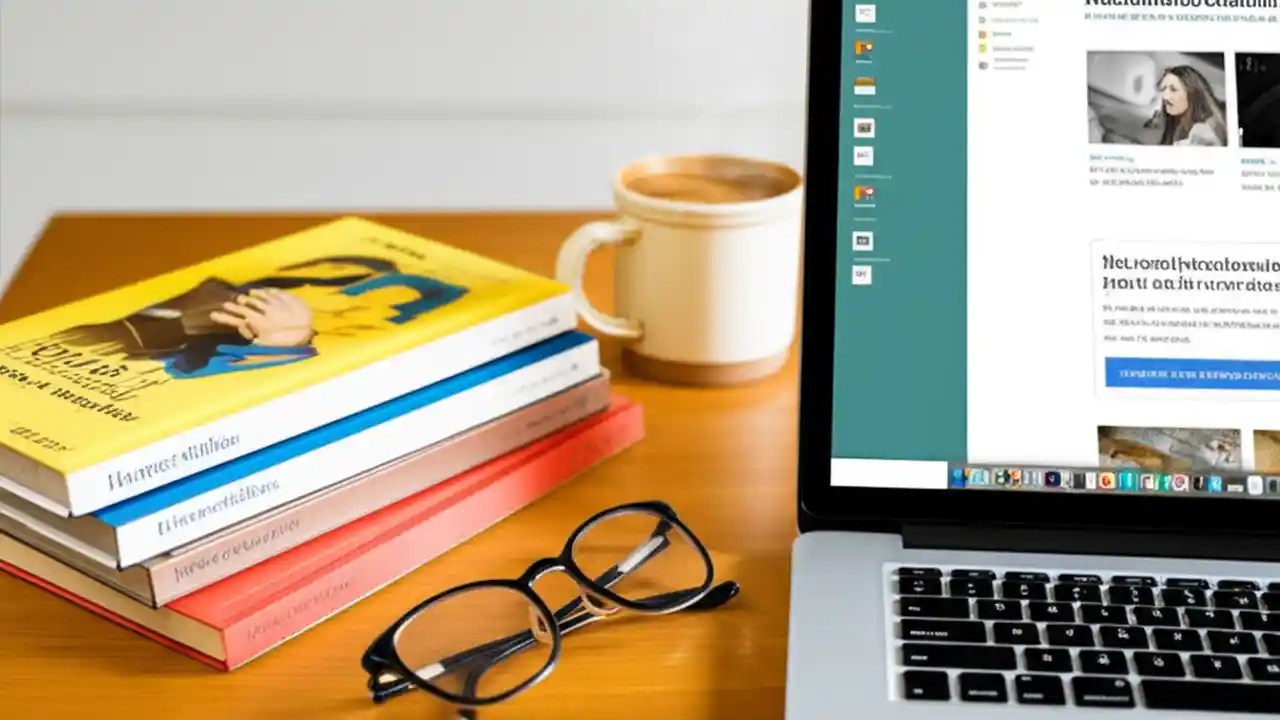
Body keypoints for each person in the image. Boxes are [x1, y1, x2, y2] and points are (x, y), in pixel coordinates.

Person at [1155, 65, 1229, 146]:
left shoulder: (1203, 134)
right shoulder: (1177, 126)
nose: (1165, 96)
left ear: (1192, 94)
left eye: (1173, 90)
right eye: (1163, 89)